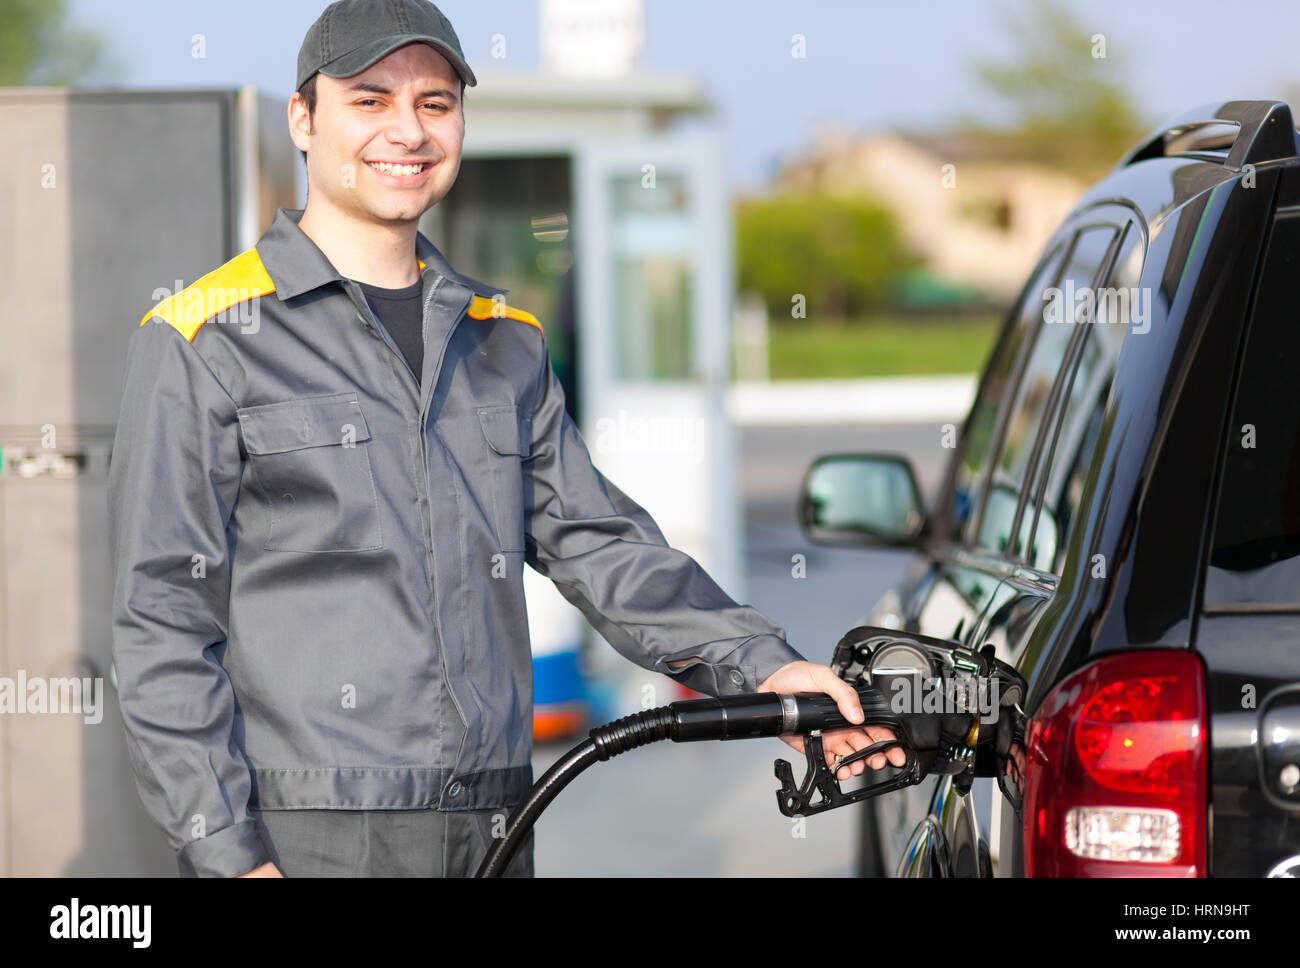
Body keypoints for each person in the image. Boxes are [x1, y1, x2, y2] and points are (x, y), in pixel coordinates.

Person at [106, 0, 905, 879]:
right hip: (305, 833)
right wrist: (228, 853)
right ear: (304, 118)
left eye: (436, 103)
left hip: (495, 817)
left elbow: (601, 545)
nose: (406, 131)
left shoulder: (503, 338)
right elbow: (160, 623)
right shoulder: (205, 339)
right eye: (369, 101)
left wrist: (764, 667)